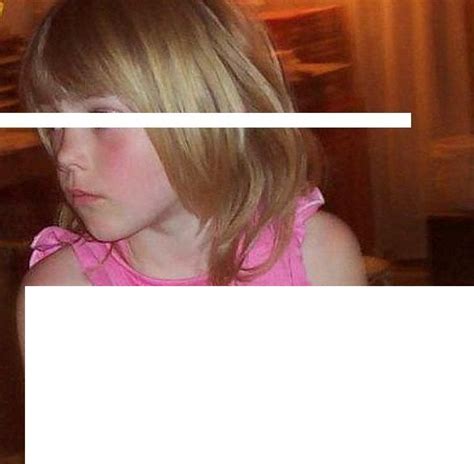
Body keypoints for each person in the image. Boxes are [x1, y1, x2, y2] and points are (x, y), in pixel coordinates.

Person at [15, 0, 366, 349]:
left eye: (101, 117)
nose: (65, 155)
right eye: (53, 122)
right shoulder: (61, 293)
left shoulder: (318, 258)